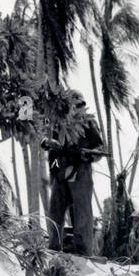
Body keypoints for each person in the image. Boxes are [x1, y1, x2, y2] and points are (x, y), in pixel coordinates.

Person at [44, 91, 106, 257]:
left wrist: (89, 154)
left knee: (82, 213)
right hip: (61, 171)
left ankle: (84, 252)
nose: (76, 109)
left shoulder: (88, 122)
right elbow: (48, 145)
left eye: (79, 105)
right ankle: (53, 247)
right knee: (55, 211)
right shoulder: (57, 124)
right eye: (73, 105)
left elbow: (100, 148)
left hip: (80, 171)